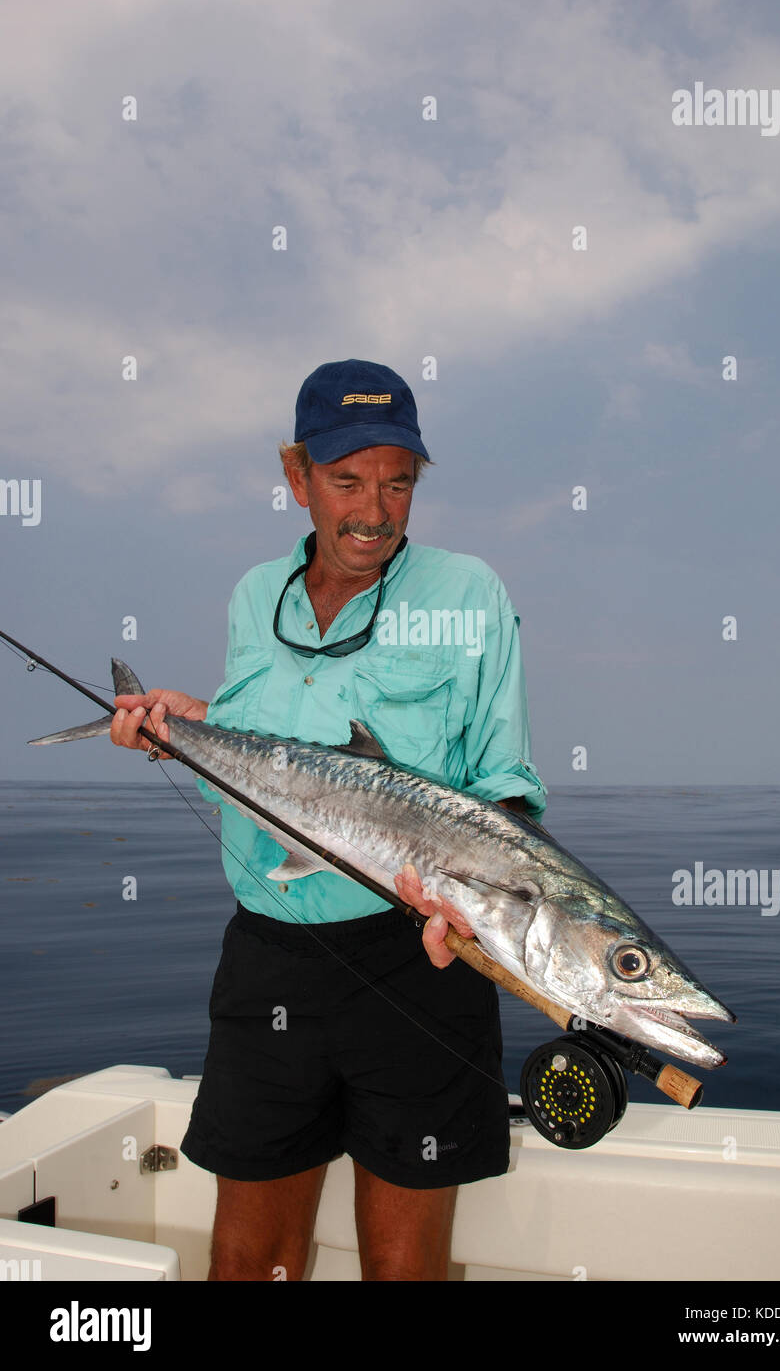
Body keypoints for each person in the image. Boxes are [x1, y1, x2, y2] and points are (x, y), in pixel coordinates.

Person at [110, 359, 546, 1281]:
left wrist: (480, 903)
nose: (374, 511)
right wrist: (182, 730)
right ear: (296, 475)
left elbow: (504, 781)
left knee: (402, 1268)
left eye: (398, 483)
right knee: (249, 1261)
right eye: (346, 480)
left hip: (419, 959)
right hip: (269, 954)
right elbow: (257, 751)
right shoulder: (251, 595)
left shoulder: (466, 594)